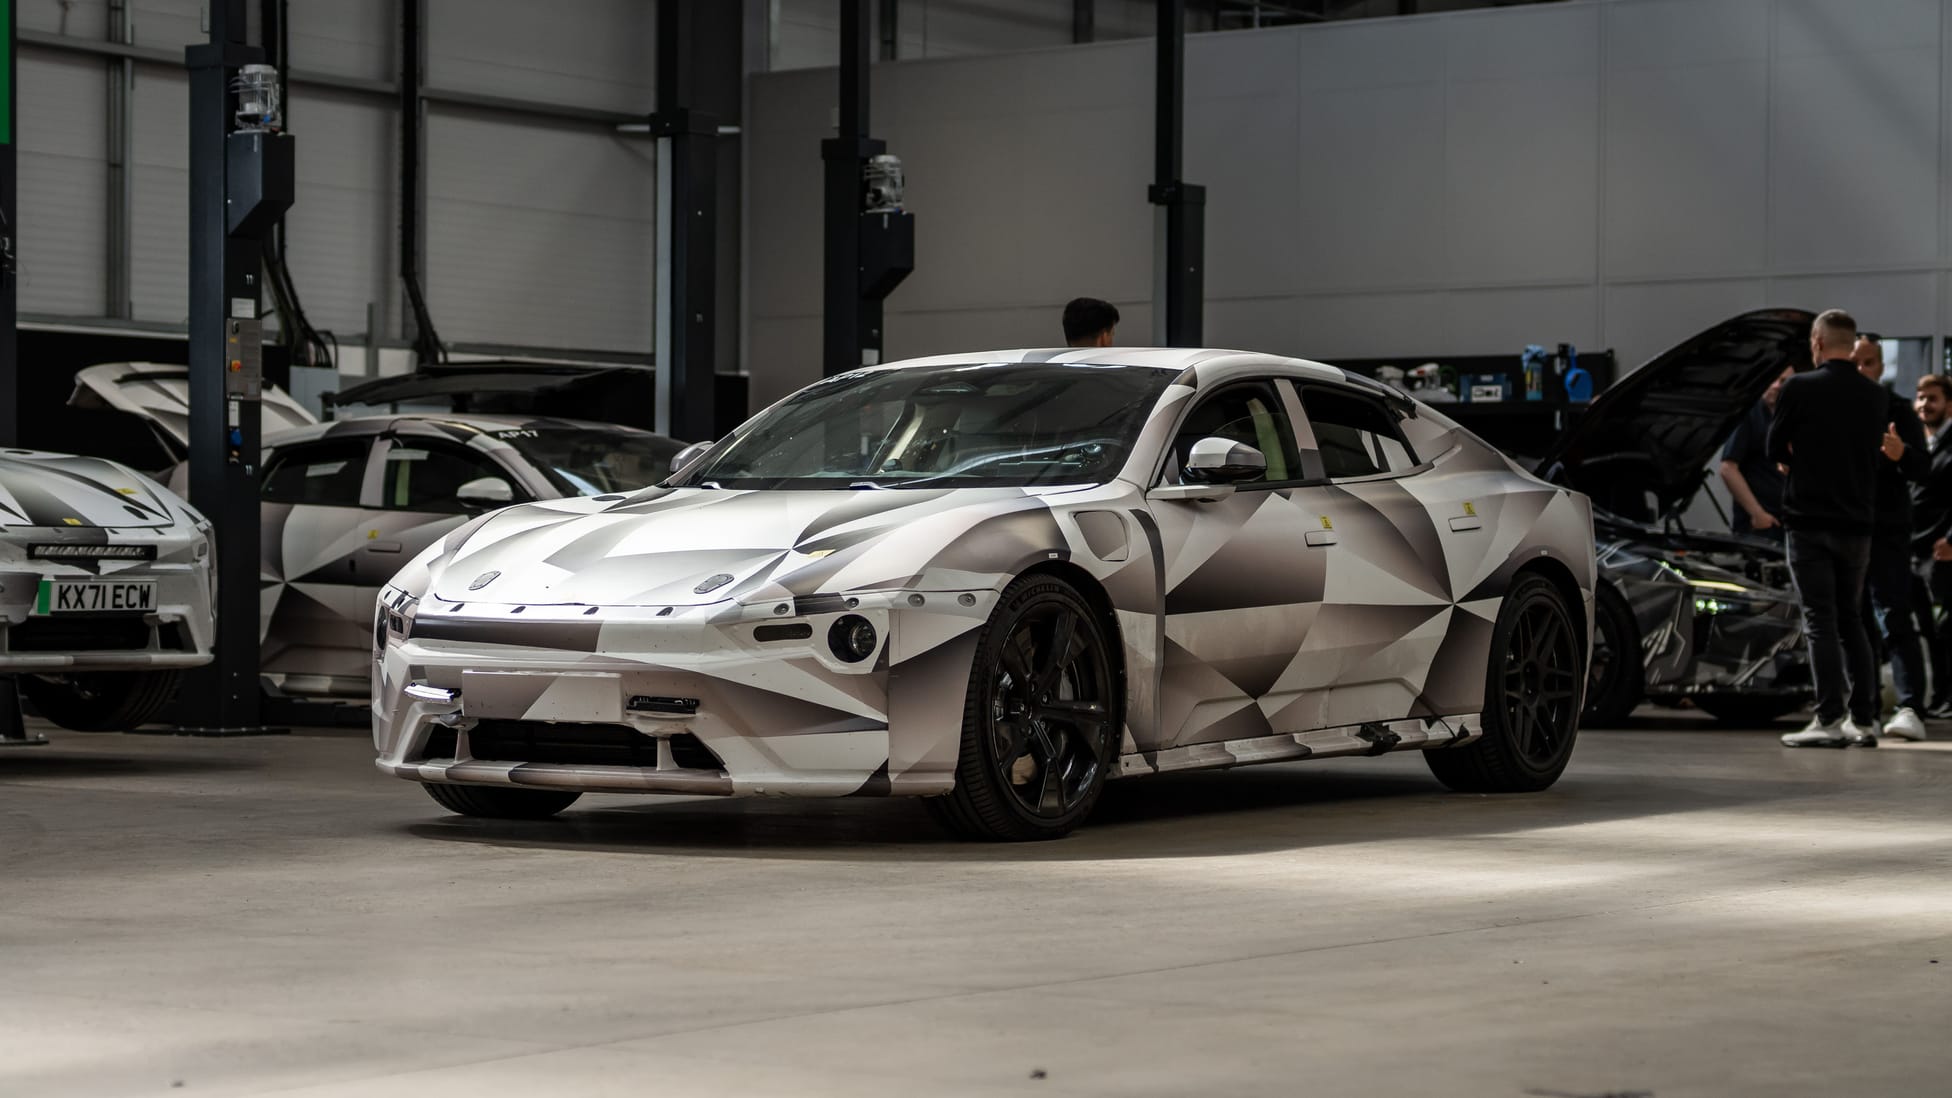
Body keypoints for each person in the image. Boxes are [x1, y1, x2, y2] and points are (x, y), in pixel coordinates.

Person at [1768, 309, 1889, 748]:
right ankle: (1866, 719)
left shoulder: (1799, 386)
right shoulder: (1875, 395)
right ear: (1853, 345)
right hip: (1857, 521)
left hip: (1808, 520)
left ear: (1817, 342)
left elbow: (1774, 445)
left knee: (1819, 619)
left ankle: (1829, 719)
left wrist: (1796, 458)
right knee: (1851, 618)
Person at [1849, 334, 1930, 740]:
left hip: (1888, 531)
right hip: (1848, 529)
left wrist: (1901, 456)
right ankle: (1862, 709)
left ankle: (1911, 705)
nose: (1863, 370)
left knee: (1894, 616)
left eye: (1869, 363)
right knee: (1855, 620)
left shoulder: (1897, 409)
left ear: (1881, 367)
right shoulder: (1838, 411)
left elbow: (1923, 468)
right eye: (1856, 362)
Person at [1910, 373, 1952, 716]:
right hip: (1914, 548)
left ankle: (1947, 698)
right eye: (1921, 397)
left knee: (1944, 629)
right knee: (1927, 630)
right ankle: (1937, 697)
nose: (1925, 404)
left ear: (1948, 404)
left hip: (1943, 551)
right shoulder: (1916, 443)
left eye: (1932, 398)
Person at [1720, 364, 1793, 537]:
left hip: (1788, 523)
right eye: (1772, 379)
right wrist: (1757, 513)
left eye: (1783, 381)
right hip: (1761, 526)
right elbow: (1727, 468)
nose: (1776, 385)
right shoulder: (1749, 415)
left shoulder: (1790, 417)